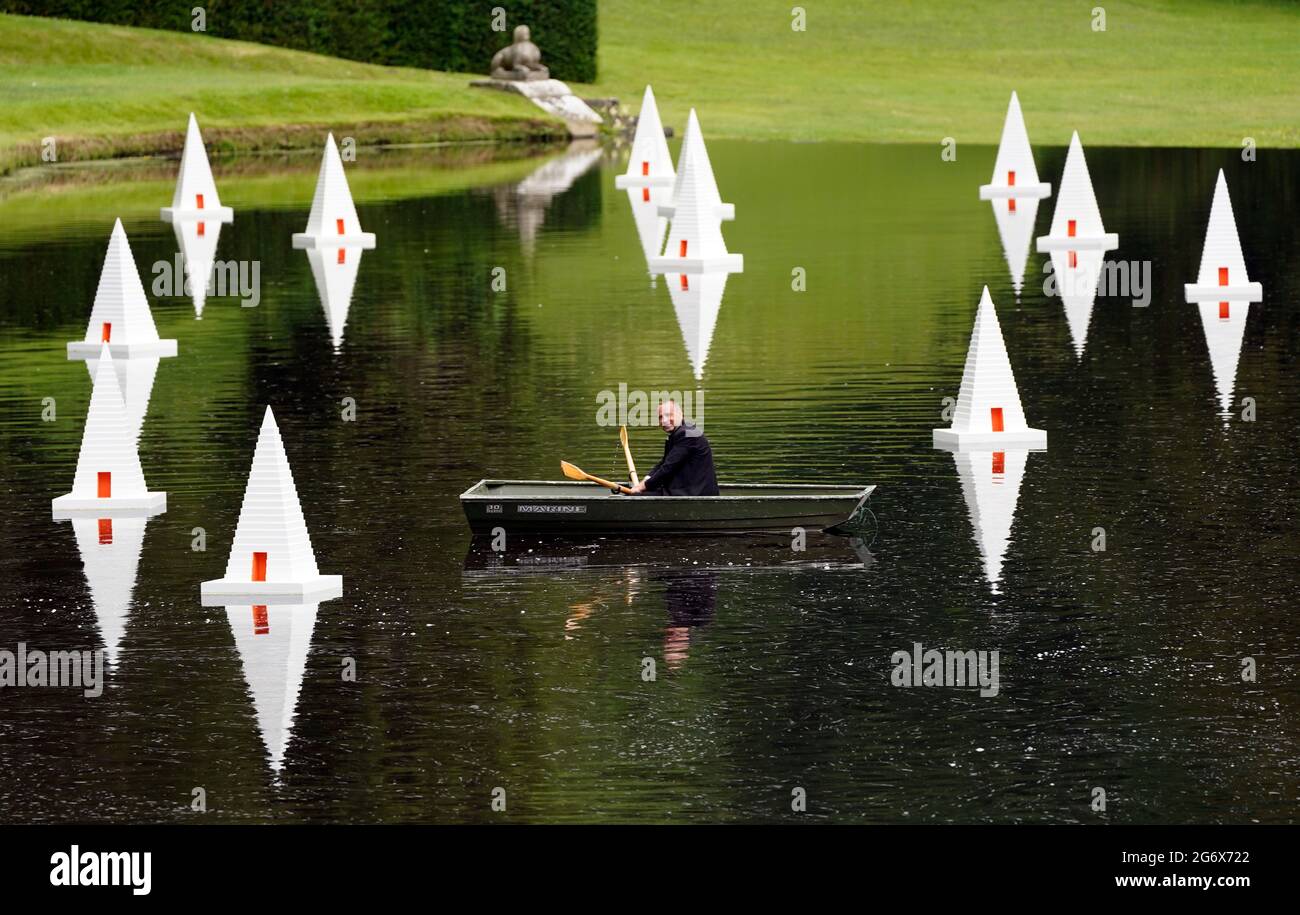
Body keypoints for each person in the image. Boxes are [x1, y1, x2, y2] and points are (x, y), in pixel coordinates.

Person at [630, 400, 720, 496]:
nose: (664, 421)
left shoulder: (687, 434)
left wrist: (642, 487)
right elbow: (664, 462)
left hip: (695, 493)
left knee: (640, 495)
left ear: (680, 414)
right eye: (660, 417)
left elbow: (668, 467)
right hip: (687, 489)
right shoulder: (679, 432)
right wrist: (647, 479)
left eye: (669, 415)